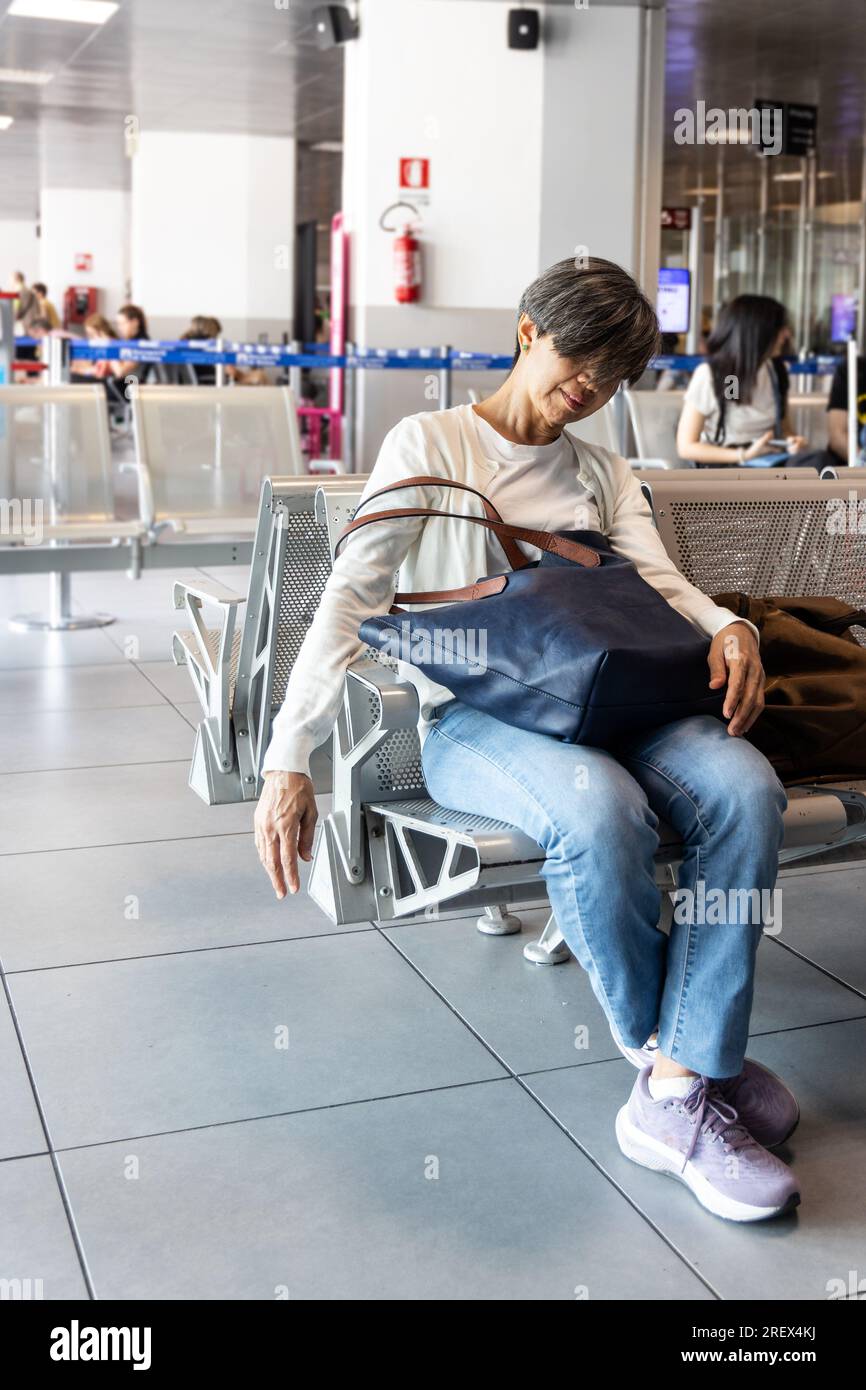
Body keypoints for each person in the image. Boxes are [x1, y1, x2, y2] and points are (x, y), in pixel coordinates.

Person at [254, 256, 799, 1224]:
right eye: (579, 353)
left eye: (615, 370)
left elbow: (663, 584)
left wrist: (729, 625)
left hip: (620, 705)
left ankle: (675, 1078)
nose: (589, 382)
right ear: (526, 332)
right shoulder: (430, 440)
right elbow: (350, 598)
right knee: (597, 808)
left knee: (744, 786)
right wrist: (287, 759)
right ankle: (682, 1073)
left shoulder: (601, 467)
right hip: (477, 721)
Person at [676, 295, 807, 466]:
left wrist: (792, 441)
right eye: (780, 328)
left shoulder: (775, 371)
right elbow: (686, 447)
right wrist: (745, 455)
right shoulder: (721, 376)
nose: (786, 335)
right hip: (729, 466)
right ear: (758, 334)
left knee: (818, 462)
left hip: (769, 462)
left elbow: (784, 427)